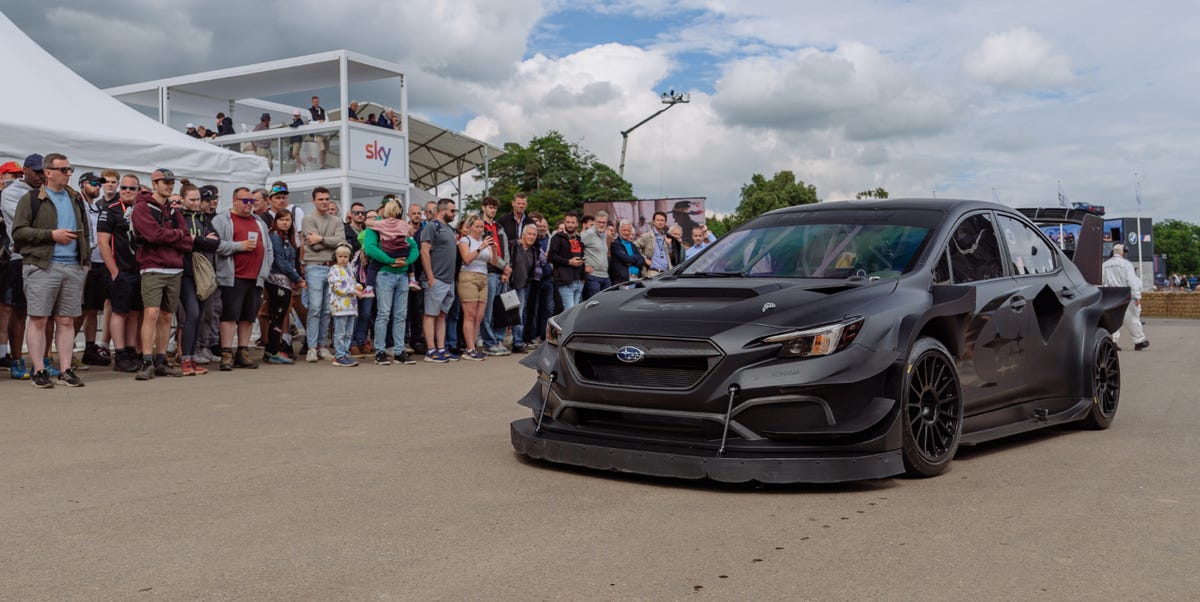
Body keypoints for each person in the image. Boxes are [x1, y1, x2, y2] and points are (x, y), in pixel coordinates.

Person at [11, 153, 90, 388]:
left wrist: (84, 261)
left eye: (69, 169)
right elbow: (18, 232)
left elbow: (85, 229)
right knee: (38, 318)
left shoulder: (75, 198)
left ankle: (65, 369)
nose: (68, 173)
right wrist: (50, 235)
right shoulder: (32, 198)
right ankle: (39, 370)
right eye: (64, 169)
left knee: (66, 320)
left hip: (73, 266)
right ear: (48, 172)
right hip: (43, 265)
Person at [131, 169, 195, 380]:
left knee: (167, 315)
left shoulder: (174, 211)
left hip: (174, 268)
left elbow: (187, 240)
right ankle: (147, 360)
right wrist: (176, 235)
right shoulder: (142, 207)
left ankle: (160, 359)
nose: (169, 185)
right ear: (154, 183)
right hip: (152, 267)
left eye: (171, 182)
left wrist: (173, 236)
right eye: (165, 182)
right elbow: (152, 234)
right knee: (151, 313)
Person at [212, 187, 273, 371]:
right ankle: (226, 353)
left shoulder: (259, 221)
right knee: (229, 315)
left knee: (248, 316)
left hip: (255, 277)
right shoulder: (222, 219)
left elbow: (268, 247)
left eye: (252, 201)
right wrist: (239, 246)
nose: (249, 205)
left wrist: (266, 269)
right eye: (245, 201)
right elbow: (215, 244)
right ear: (235, 201)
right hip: (233, 276)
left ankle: (243, 351)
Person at [0, 154, 42, 380]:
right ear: (27, 170)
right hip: (19, 258)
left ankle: (43, 361)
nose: (40, 175)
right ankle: (16, 359)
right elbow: (23, 223)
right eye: (36, 171)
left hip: (45, 257)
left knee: (43, 314)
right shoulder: (11, 193)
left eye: (43, 171)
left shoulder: (49, 190)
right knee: (17, 310)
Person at [97, 173, 144, 373]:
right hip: (121, 270)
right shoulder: (111, 210)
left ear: (138, 190)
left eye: (131, 188)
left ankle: (132, 349)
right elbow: (102, 243)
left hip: (140, 270)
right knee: (119, 312)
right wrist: (114, 271)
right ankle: (120, 353)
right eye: (123, 187)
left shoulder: (142, 210)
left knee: (134, 312)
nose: (126, 191)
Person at [362, 198, 418, 365]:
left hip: (402, 275)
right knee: (384, 313)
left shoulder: (401, 225)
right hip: (385, 274)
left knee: (400, 315)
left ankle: (399, 350)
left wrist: (406, 262)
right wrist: (389, 260)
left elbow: (414, 247)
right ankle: (380, 350)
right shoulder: (376, 226)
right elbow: (370, 248)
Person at [177, 183, 219, 375]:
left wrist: (196, 240)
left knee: (200, 315)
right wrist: (199, 240)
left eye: (198, 200)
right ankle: (185, 358)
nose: (196, 203)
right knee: (191, 314)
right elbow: (181, 240)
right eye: (192, 200)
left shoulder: (203, 217)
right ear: (183, 199)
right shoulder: (177, 216)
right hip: (184, 272)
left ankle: (192, 358)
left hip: (201, 273)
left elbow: (215, 242)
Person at [301, 186, 345, 362]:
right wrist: (327, 242)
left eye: (327, 199)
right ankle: (311, 347)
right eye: (321, 199)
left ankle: (321, 345)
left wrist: (322, 239)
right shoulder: (308, 219)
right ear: (314, 201)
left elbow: (341, 242)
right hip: (314, 266)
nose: (325, 202)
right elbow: (314, 245)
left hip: (332, 267)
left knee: (327, 309)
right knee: (315, 307)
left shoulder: (337, 220)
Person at [420, 199, 459, 363]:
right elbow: (424, 251)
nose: (454, 213)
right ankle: (430, 350)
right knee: (430, 314)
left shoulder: (449, 229)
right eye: (452, 210)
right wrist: (430, 277)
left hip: (448, 280)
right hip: (436, 279)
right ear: (442, 210)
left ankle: (441, 348)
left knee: (442, 315)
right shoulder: (432, 226)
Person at [264, 209, 303, 364]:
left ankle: (272, 350)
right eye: (281, 220)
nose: (285, 222)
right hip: (276, 280)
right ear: (276, 221)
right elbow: (280, 261)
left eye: (288, 220)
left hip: (286, 281)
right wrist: (297, 278)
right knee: (277, 316)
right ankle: (272, 351)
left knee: (279, 317)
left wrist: (294, 278)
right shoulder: (274, 237)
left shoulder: (287, 238)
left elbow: (292, 261)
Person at [479, 197, 512, 356]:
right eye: (490, 207)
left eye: (495, 208)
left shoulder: (499, 227)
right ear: (483, 207)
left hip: (502, 273)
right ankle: (489, 342)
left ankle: (498, 339)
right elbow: (485, 252)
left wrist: (507, 268)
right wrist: (504, 266)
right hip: (489, 271)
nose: (493, 210)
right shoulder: (480, 226)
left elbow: (505, 249)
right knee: (488, 310)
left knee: (501, 309)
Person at [457, 214, 492, 361]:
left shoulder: (485, 242)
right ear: (470, 227)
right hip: (468, 276)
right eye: (477, 226)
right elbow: (466, 259)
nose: (479, 229)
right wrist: (480, 247)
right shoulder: (465, 240)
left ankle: (474, 346)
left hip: (483, 277)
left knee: (479, 316)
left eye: (481, 227)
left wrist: (493, 249)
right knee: (470, 315)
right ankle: (469, 348)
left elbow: (493, 261)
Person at [1103, 243, 1150, 351]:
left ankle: (1113, 342)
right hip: (1125, 293)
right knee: (1132, 317)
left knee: (1112, 319)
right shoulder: (1126, 264)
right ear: (1123, 252)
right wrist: (1137, 296)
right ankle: (1139, 341)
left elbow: (1102, 281)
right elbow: (1131, 281)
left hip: (1110, 294)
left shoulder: (1104, 265)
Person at [327, 243, 363, 367]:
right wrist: (354, 290)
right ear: (335, 257)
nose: (343, 259)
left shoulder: (349, 270)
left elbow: (352, 282)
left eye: (346, 256)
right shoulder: (334, 270)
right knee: (340, 332)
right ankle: (339, 355)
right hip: (339, 306)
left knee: (348, 333)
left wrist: (358, 285)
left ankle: (345, 353)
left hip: (351, 307)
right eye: (340, 256)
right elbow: (338, 288)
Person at [508, 224, 539, 353]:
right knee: (504, 314)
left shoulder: (533, 251)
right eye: (529, 234)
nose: (531, 237)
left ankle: (517, 343)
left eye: (534, 235)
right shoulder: (513, 245)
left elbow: (531, 271)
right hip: (508, 285)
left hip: (522, 287)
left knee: (519, 315)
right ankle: (496, 341)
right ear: (523, 234)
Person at [548, 211, 585, 310]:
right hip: (565, 281)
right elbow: (551, 257)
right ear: (564, 222)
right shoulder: (557, 238)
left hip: (579, 281)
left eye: (573, 222)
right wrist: (569, 262)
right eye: (568, 222)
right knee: (569, 312)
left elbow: (582, 255)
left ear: (577, 224)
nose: (570, 225)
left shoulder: (579, 239)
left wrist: (583, 277)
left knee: (575, 311)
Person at [580, 210, 612, 300]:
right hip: (593, 276)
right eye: (599, 222)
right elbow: (575, 249)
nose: (601, 224)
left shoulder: (606, 235)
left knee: (607, 303)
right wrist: (584, 266)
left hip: (605, 275)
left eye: (603, 222)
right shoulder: (588, 234)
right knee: (595, 304)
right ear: (594, 222)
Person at [636, 211, 675, 277]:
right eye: (658, 220)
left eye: (662, 220)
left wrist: (670, 246)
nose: (660, 222)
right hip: (653, 273)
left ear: (665, 222)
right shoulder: (647, 236)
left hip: (667, 273)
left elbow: (671, 257)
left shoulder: (667, 236)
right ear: (653, 222)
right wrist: (644, 259)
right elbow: (634, 246)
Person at [610, 219, 648, 284]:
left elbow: (641, 260)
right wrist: (635, 259)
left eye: (628, 230)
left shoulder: (633, 245)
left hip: (636, 279)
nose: (626, 233)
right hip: (622, 281)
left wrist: (631, 261)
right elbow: (625, 258)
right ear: (619, 230)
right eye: (624, 230)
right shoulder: (615, 244)